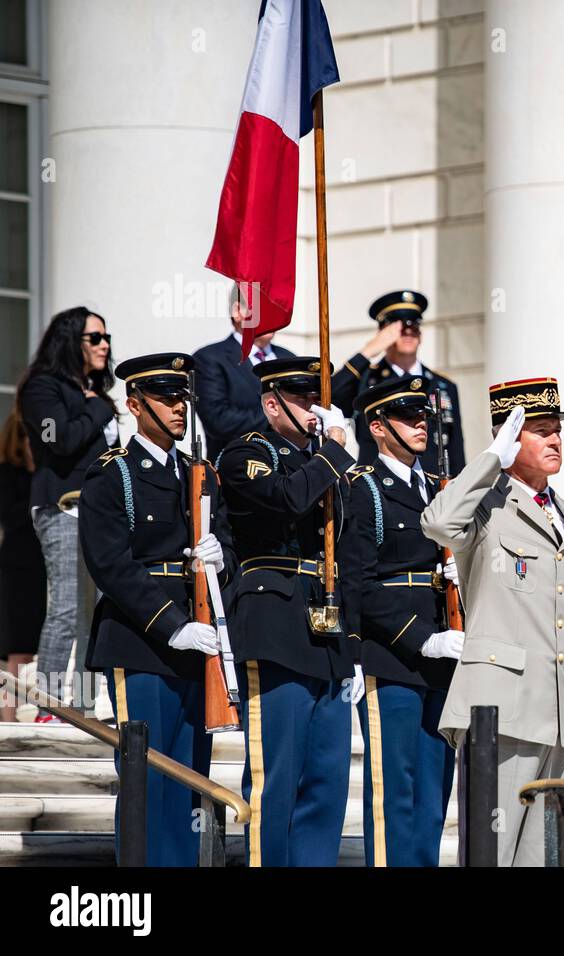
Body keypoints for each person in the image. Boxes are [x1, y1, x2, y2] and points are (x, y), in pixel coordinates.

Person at [421, 380, 564, 868]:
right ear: (512, 440)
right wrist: (490, 459)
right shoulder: (486, 504)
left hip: (559, 713)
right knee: (490, 853)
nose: (556, 440)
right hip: (500, 706)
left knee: (543, 858)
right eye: (541, 432)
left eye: (557, 431)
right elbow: (437, 522)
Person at [78, 352, 238, 866]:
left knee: (191, 776)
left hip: (201, 640)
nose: (178, 408)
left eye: (182, 397)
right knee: (148, 777)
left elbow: (231, 546)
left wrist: (223, 556)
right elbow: (110, 564)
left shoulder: (202, 474)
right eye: (165, 398)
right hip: (141, 641)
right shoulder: (113, 475)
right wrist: (171, 626)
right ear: (134, 404)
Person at [218, 357, 360, 867]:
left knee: (326, 780)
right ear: (273, 404)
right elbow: (284, 500)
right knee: (278, 775)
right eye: (302, 400)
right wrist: (333, 455)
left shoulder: (326, 459)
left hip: (328, 629)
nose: (314, 410)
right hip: (274, 623)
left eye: (316, 399)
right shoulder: (247, 454)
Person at [342, 374, 463, 867]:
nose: (421, 425)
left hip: (443, 657)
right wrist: (421, 639)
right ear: (377, 427)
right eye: (407, 416)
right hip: (392, 657)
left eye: (424, 416)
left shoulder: (439, 488)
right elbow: (359, 584)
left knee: (435, 794)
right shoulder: (364, 487)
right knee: (395, 790)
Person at [19, 306, 120, 718]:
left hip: (96, 512)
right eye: (94, 338)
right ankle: (45, 702)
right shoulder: (42, 388)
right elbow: (59, 440)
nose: (105, 345)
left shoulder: (96, 395)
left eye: (106, 336)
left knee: (94, 610)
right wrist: (98, 409)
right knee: (64, 606)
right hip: (61, 506)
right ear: (70, 342)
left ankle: (81, 702)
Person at [331, 290, 465, 476]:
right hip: (378, 487)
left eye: (415, 327)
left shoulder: (442, 385)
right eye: (400, 328)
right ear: (384, 332)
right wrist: (368, 351)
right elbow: (328, 398)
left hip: (434, 489)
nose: (409, 332)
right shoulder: (367, 380)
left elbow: (456, 448)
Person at [193, 283, 297, 457]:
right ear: (238, 312)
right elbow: (218, 420)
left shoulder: (289, 358)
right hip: (239, 468)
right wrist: (283, 416)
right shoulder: (210, 358)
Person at [0, 409, 44, 721]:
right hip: (17, 564)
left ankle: (11, 710)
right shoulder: (8, 474)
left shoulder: (39, 475)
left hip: (39, 564)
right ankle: (7, 713)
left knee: (27, 643)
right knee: (16, 643)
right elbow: (12, 516)